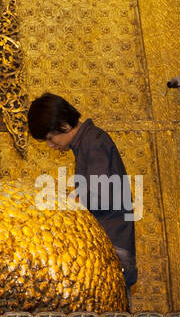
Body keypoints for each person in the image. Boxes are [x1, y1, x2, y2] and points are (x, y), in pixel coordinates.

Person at [28, 92, 138, 298]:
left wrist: (66, 204)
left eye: (50, 138)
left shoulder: (94, 141)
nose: (51, 145)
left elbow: (99, 196)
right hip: (108, 245)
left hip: (112, 247)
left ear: (64, 125)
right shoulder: (85, 145)